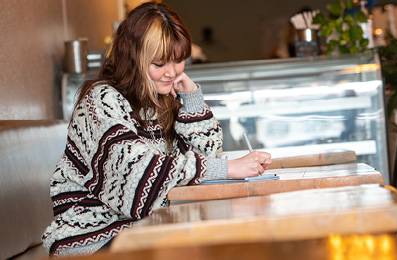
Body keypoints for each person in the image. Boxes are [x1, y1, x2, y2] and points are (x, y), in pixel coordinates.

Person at [42, 2, 271, 257]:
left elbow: (208, 159)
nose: (171, 73)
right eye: (159, 63)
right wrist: (230, 168)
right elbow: (140, 182)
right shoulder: (101, 102)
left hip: (141, 230)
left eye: (178, 60)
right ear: (134, 58)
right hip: (91, 239)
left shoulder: (158, 100)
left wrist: (192, 100)